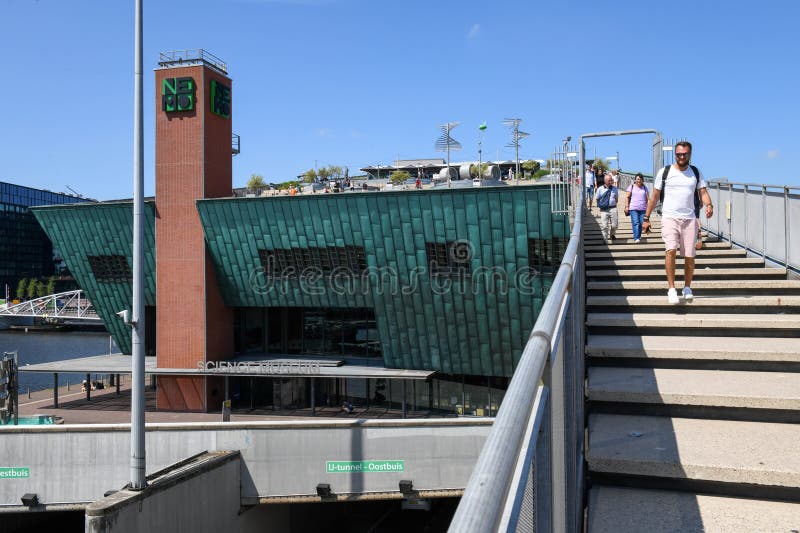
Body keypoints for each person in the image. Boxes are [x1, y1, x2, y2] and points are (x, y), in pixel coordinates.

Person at [642, 141, 713, 304]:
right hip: (669, 217)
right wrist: (646, 218)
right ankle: (672, 289)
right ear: (675, 154)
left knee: (689, 255)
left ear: (690, 154)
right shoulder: (665, 172)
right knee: (671, 250)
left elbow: (703, 192)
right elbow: (654, 196)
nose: (681, 157)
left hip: (689, 219)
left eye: (684, 154)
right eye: (678, 154)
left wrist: (709, 205)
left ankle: (687, 287)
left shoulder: (695, 172)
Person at [594, 174, 619, 242]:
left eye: (611, 180)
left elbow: (616, 199)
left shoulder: (615, 188)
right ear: (605, 181)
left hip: (613, 208)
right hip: (604, 209)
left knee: (615, 225)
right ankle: (605, 238)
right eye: (609, 180)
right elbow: (597, 198)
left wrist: (612, 204)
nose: (611, 181)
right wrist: (601, 205)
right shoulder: (600, 189)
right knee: (604, 226)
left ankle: (612, 234)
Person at [625, 173, 648, 243]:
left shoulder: (644, 188)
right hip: (633, 208)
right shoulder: (631, 187)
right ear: (635, 180)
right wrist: (626, 207)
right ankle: (636, 238)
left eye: (640, 179)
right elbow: (627, 197)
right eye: (638, 179)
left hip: (643, 208)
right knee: (636, 222)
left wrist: (649, 207)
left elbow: (648, 199)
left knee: (641, 223)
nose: (639, 180)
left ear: (642, 180)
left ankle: (638, 235)